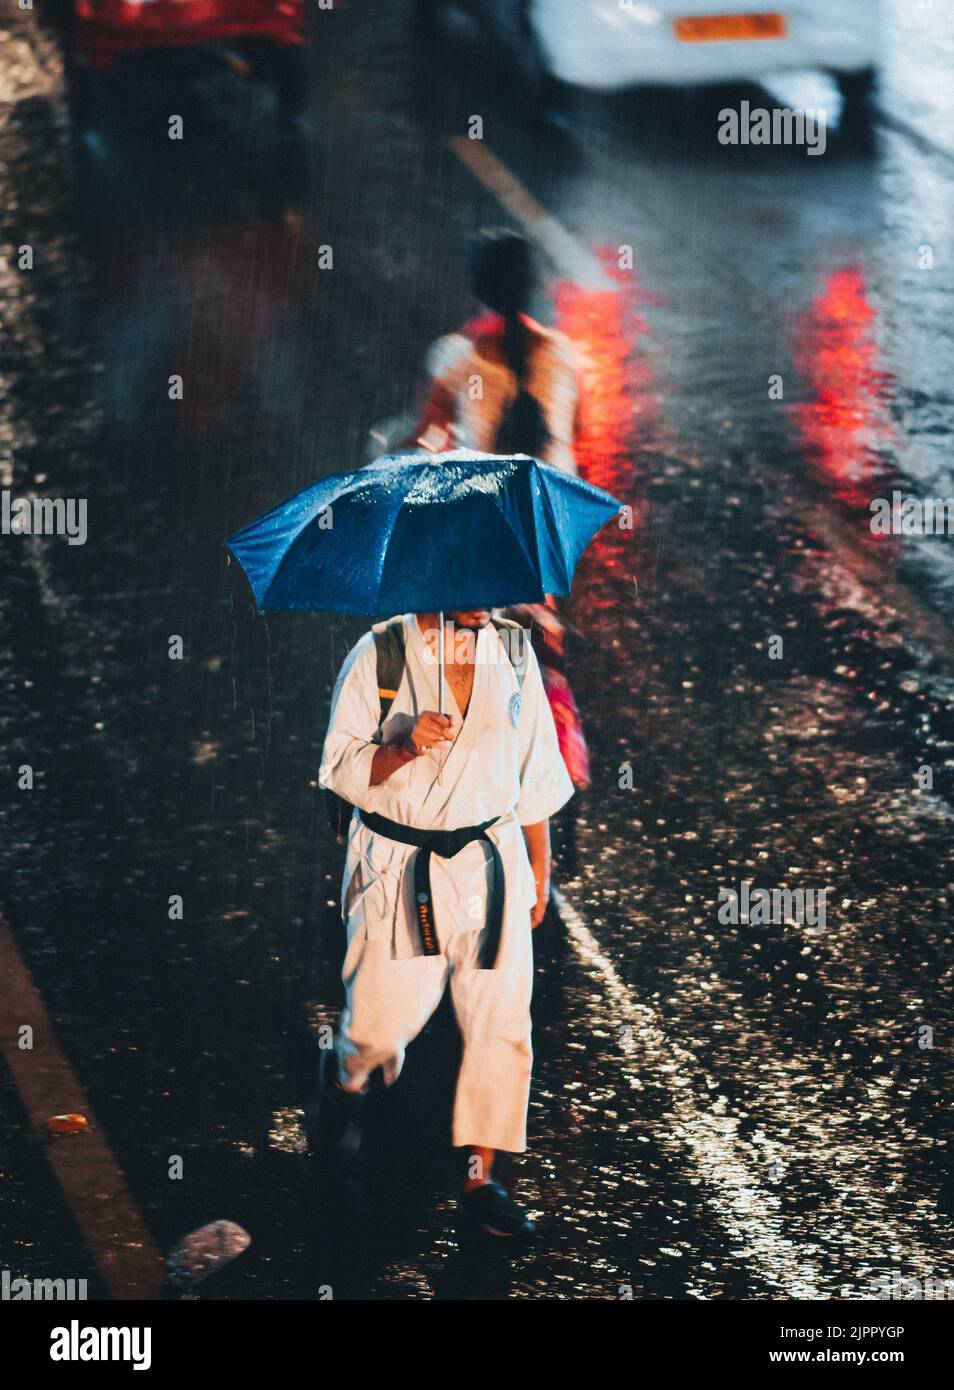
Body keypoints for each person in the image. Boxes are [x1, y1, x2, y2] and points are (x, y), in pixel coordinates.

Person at [311, 606, 573, 1237]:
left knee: (501, 1025)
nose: (484, 599)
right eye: (468, 579)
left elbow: (533, 768)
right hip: (399, 865)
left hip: (492, 860)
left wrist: (539, 867)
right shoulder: (380, 654)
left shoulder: (512, 649)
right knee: (379, 1025)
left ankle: (479, 1178)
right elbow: (339, 768)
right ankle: (344, 1080)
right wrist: (402, 747)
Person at [413, 228, 581, 474]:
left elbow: (431, 436)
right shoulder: (564, 353)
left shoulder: (454, 356)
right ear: (532, 287)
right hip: (553, 499)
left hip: (485, 498)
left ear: (475, 291)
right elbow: (575, 432)